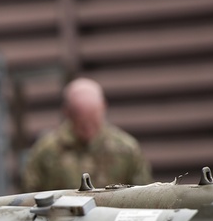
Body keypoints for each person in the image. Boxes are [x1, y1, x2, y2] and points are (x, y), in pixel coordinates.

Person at [20, 77, 151, 192]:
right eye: (82, 123)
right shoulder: (46, 151)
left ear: (103, 108)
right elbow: (29, 198)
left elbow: (144, 196)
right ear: (67, 112)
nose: (88, 129)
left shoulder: (126, 149)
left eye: (93, 121)